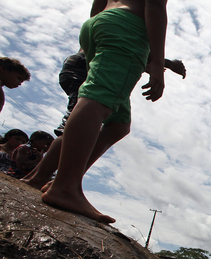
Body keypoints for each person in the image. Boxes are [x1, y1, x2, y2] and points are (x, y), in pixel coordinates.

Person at [33, 0, 168, 224]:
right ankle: (65, 187)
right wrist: (156, 62)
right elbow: (154, 5)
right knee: (97, 100)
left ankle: (53, 179)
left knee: (119, 123)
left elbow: (98, 3)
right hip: (128, 25)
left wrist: (93, 31)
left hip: (99, 23)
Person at [54, 49, 186, 136]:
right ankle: (69, 122)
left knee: (119, 126)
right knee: (83, 108)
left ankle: (72, 124)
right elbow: (136, 50)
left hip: (81, 65)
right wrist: (169, 63)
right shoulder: (129, 34)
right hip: (84, 65)